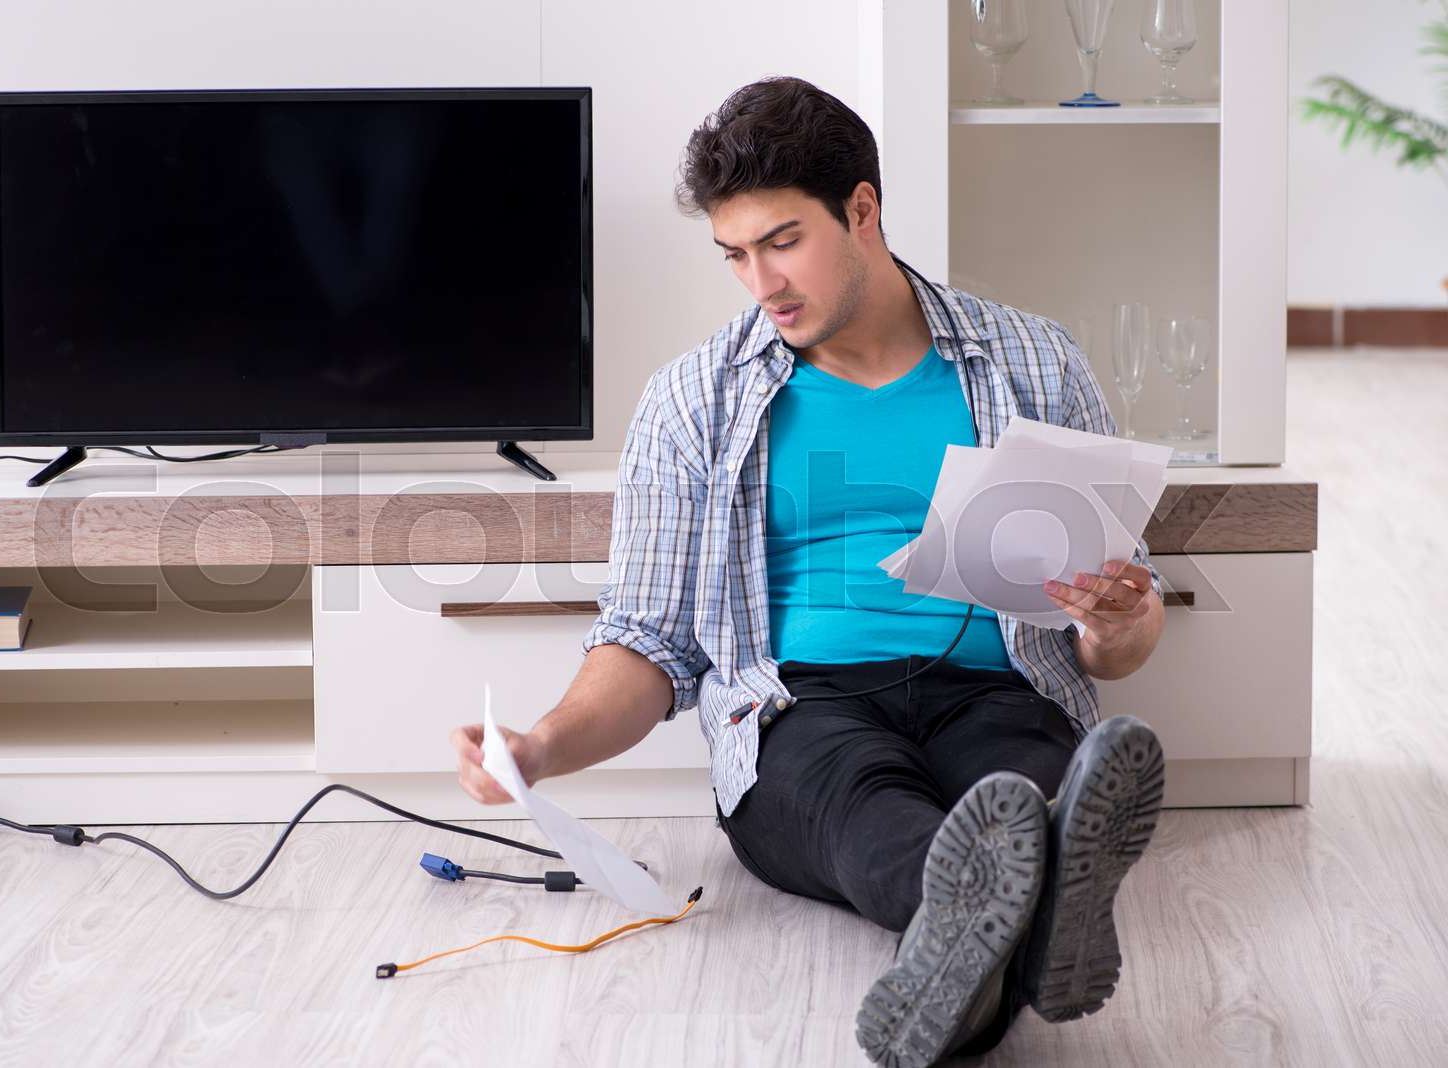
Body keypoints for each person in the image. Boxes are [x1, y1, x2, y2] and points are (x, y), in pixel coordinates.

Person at [450, 75, 1167, 1067]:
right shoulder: (692, 400)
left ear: (861, 211)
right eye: (735, 255)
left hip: (996, 689)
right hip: (801, 713)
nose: (760, 282)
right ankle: (1037, 915)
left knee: (1014, 788)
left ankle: (1004, 919)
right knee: (873, 815)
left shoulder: (1030, 362)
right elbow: (648, 640)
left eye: (782, 242)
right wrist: (538, 750)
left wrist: (1117, 622)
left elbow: (1119, 632)